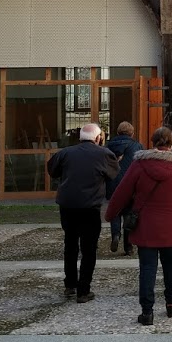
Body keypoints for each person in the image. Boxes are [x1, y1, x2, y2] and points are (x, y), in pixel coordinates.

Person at [104, 127, 172, 326]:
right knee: (171, 265)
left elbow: (122, 192)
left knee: (147, 268)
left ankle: (147, 311)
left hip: (145, 226)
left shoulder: (139, 164)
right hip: (171, 227)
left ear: (153, 142)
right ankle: (171, 303)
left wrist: (110, 215)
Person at [46, 122, 119, 302]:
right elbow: (113, 174)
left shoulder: (65, 153)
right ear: (98, 138)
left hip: (67, 205)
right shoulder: (104, 154)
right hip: (90, 207)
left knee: (70, 244)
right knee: (89, 248)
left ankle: (70, 284)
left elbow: (52, 170)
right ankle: (83, 290)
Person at [106, 121, 144, 255]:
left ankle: (115, 235)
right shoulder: (137, 146)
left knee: (115, 211)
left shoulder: (109, 145)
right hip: (130, 184)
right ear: (132, 133)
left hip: (113, 182)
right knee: (129, 213)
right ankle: (128, 246)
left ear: (118, 132)